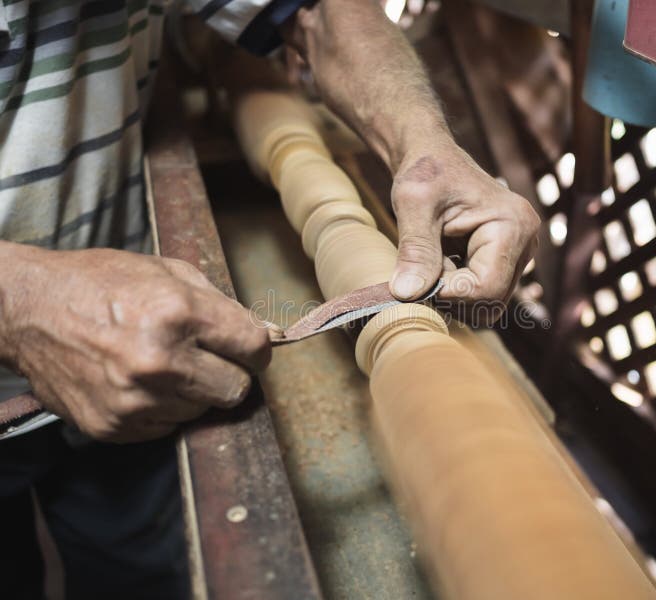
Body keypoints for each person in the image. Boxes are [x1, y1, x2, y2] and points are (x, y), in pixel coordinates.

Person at [0, 0, 539, 596]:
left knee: (140, 570)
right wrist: (20, 300)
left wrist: (424, 143)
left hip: (140, 342)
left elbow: (317, 13)